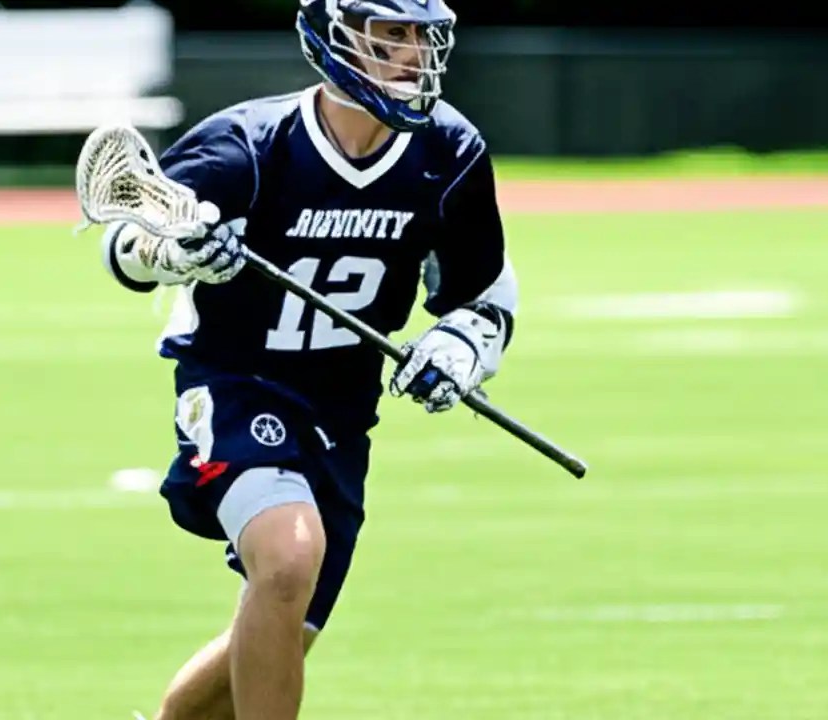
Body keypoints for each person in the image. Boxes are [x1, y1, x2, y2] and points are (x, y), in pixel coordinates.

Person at [99, 1, 517, 718]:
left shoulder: (449, 151)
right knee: (289, 561)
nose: (414, 54)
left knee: (287, 624)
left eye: (421, 37)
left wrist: (456, 348)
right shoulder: (247, 144)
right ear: (335, 38)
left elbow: (483, 293)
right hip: (235, 383)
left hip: (342, 411)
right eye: (391, 35)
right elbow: (128, 250)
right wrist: (174, 251)